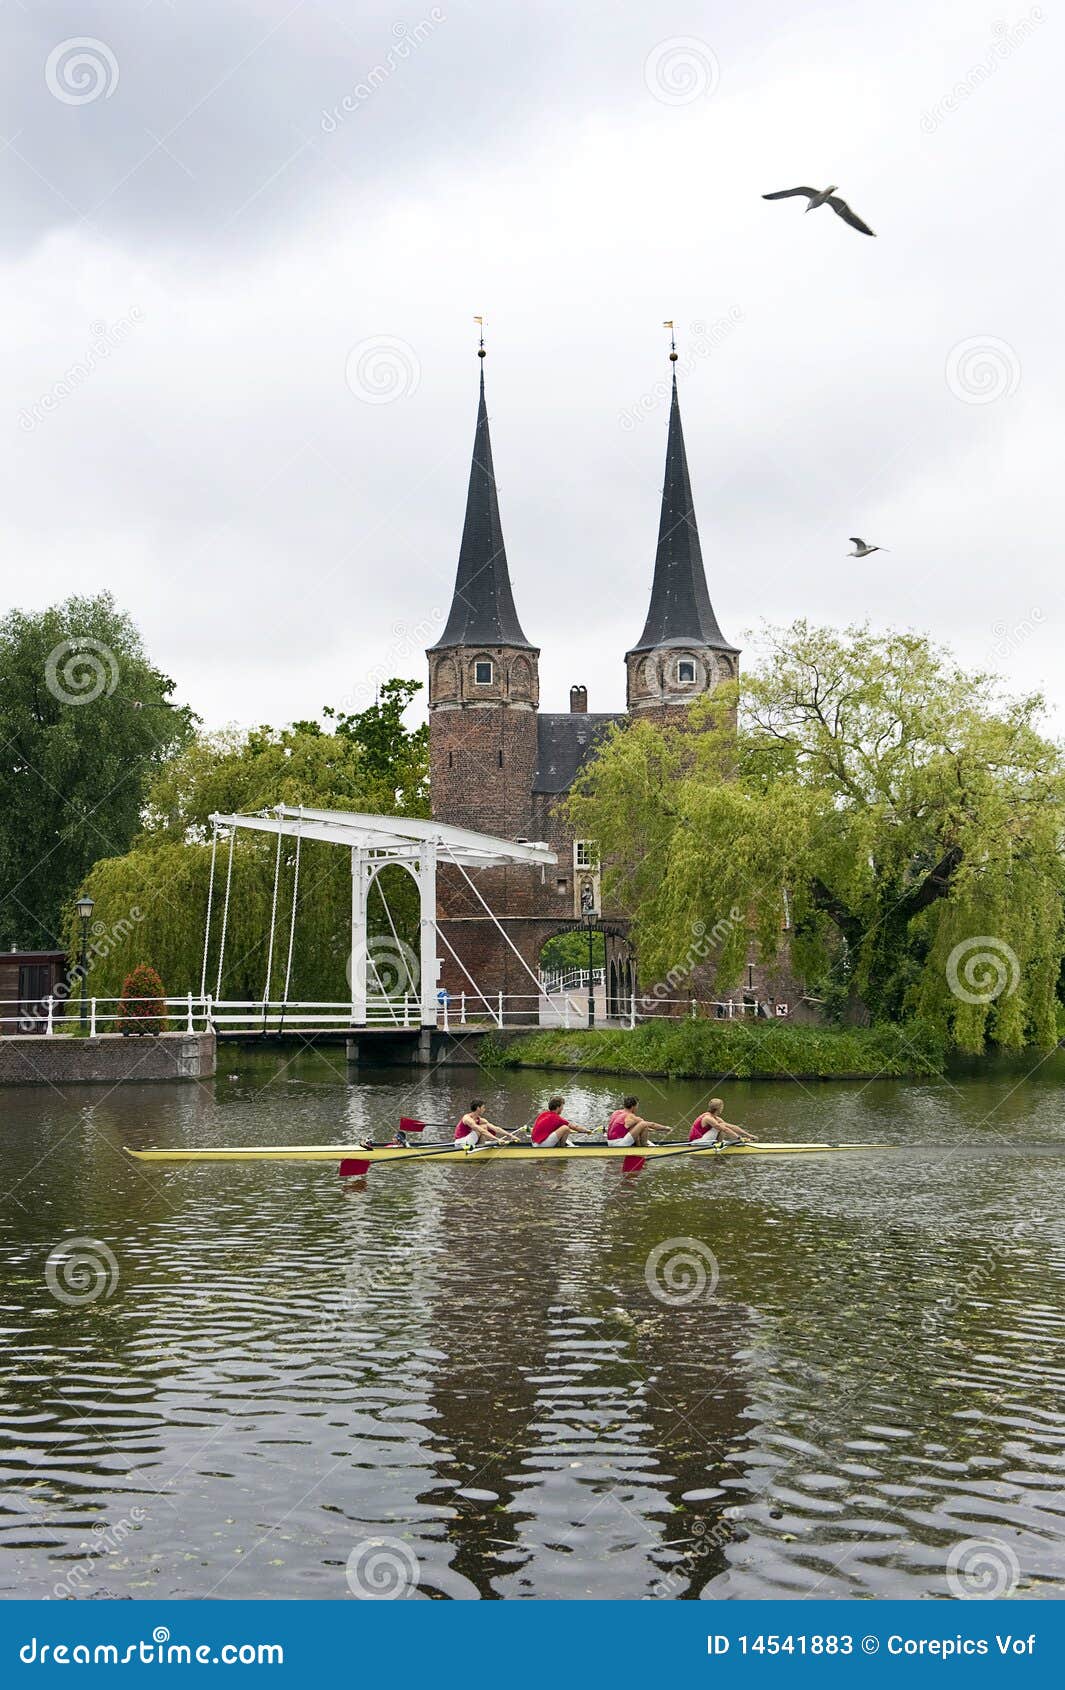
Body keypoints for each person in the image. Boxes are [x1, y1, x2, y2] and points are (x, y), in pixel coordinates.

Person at [689, 1097, 757, 1147]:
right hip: (697, 1142)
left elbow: (732, 1127)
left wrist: (749, 1135)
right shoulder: (708, 1118)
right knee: (721, 1127)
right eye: (722, 1107)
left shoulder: (715, 1118)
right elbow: (725, 1129)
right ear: (719, 1109)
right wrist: (739, 1138)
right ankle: (719, 1144)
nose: (722, 1108)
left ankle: (719, 1143)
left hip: (704, 1140)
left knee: (723, 1125)